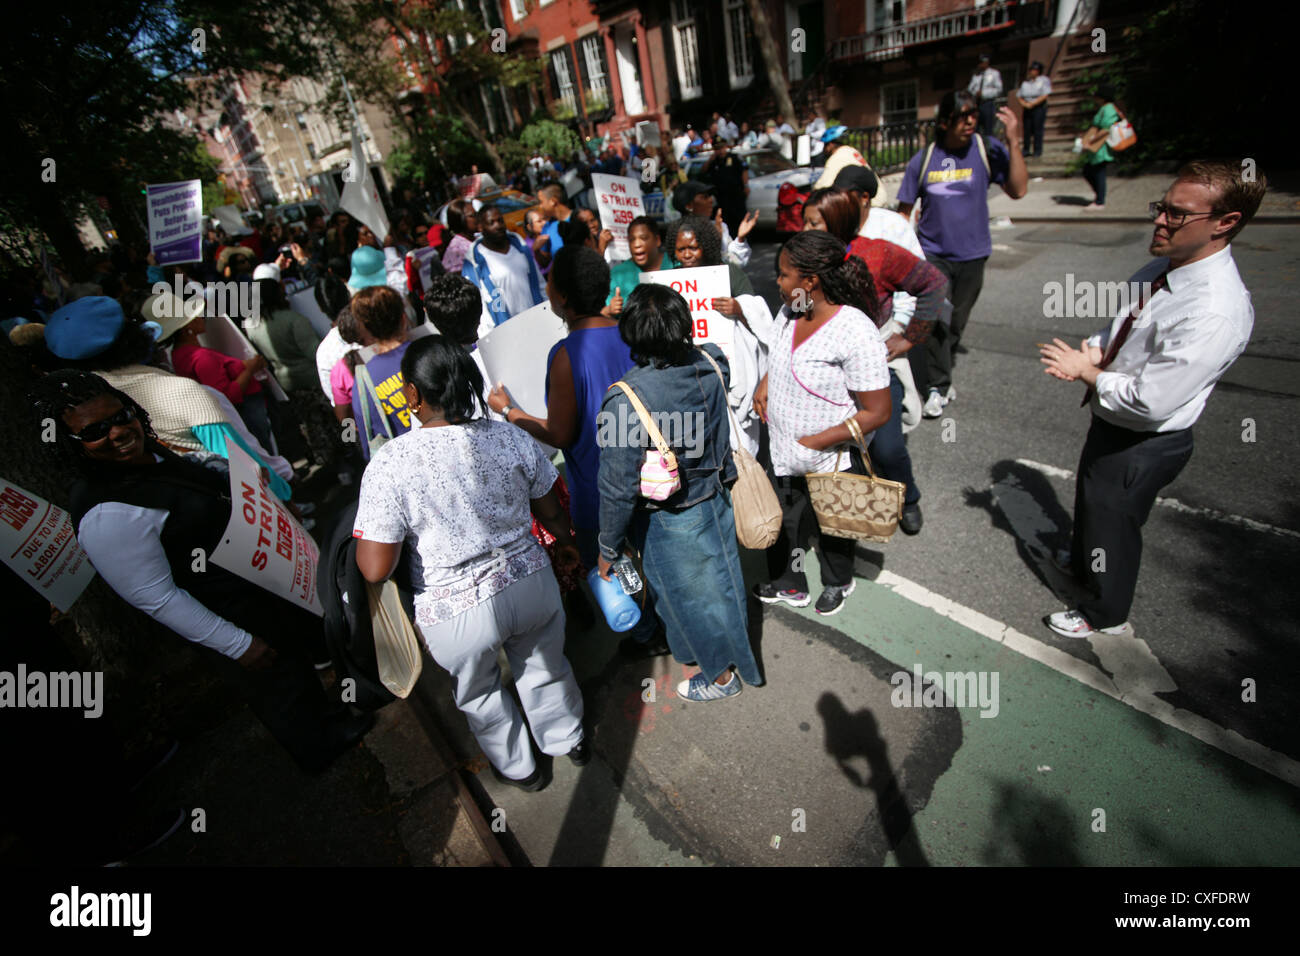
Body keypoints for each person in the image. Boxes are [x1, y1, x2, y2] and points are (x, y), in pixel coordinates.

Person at [30, 371, 373, 772]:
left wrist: (240, 476)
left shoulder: (146, 454)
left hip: (255, 587)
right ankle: (320, 748)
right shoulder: (105, 514)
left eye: (121, 415)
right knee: (276, 685)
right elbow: (156, 598)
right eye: (96, 431)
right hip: (226, 612)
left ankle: (328, 720)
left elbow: (195, 471)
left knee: (293, 665)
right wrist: (235, 644)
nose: (119, 431)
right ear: (71, 445)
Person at [1037, 160, 1265, 638]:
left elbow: (1150, 402)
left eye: (1177, 214)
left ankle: (1104, 613)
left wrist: (1089, 374)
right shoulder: (1164, 268)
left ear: (1225, 224)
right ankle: (1084, 565)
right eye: (1162, 207)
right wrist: (1096, 350)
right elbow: (1121, 327)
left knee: (1115, 526)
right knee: (1094, 508)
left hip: (1143, 439)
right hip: (1114, 425)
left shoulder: (1214, 310)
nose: (1160, 220)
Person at [354, 337, 587, 790]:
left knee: (480, 693)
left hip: (453, 610)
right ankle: (567, 739)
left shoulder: (390, 464)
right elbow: (551, 509)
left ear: (413, 396)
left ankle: (523, 770)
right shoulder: (509, 435)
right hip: (529, 580)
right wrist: (564, 543)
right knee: (546, 665)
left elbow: (374, 568)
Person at [486, 246, 668, 656]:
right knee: (651, 554)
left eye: (549, 283)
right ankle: (666, 622)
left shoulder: (565, 355)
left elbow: (560, 433)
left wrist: (509, 411)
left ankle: (644, 634)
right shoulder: (629, 331)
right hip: (649, 474)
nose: (545, 289)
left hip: (599, 492)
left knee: (612, 564)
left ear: (563, 296)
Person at [597, 283, 762, 701]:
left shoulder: (626, 400)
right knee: (724, 585)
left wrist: (607, 547)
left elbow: (617, 488)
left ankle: (722, 678)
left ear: (630, 332)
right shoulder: (711, 359)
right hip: (718, 497)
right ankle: (731, 656)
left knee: (690, 602)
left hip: (669, 521)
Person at [751, 230, 892, 616]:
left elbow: (878, 411)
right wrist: (765, 383)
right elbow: (781, 354)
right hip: (782, 450)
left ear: (810, 280)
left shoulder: (855, 330)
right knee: (784, 521)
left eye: (783, 275)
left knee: (833, 528)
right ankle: (789, 585)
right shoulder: (790, 311)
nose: (777, 282)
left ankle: (838, 582)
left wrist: (820, 440)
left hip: (830, 458)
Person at [42, 295, 293, 500]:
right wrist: (284, 496)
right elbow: (243, 466)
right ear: (134, 338)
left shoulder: (69, 416)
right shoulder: (179, 392)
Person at [801, 187, 949, 535]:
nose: (806, 230)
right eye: (804, 222)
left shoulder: (877, 253)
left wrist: (911, 337)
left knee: (887, 446)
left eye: (814, 223)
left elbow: (933, 283)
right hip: (826, 369)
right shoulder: (803, 260)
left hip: (875, 366)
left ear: (838, 222)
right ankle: (839, 525)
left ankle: (907, 496)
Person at [896, 90, 1027, 417]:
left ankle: (942, 367)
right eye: (962, 115)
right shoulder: (924, 159)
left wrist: (1013, 141)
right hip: (933, 255)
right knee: (938, 319)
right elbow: (903, 212)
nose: (970, 121)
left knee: (956, 322)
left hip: (973, 254)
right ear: (944, 121)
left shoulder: (985, 150)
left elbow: (1018, 189)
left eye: (973, 114)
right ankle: (937, 386)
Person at [244, 267, 338, 471]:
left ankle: (327, 463)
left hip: (286, 384)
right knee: (332, 421)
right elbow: (314, 351)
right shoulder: (294, 320)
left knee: (311, 426)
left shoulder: (252, 326)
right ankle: (345, 460)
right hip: (313, 379)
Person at [160, 291, 274, 455]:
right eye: (194, 317)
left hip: (241, 414)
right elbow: (228, 394)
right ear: (187, 328)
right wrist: (249, 369)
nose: (201, 318)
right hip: (246, 412)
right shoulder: (200, 357)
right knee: (264, 449)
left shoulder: (180, 354)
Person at [349, 285, 414, 461]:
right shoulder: (433, 351)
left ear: (366, 331)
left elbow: (367, 445)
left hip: (405, 471)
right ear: (403, 318)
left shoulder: (363, 382)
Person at [461, 203, 545, 337]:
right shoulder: (475, 262)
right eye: (491, 222)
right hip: (507, 333)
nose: (498, 225)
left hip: (536, 323)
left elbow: (540, 283)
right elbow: (479, 306)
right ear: (481, 227)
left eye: (500, 220)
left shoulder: (519, 247)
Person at [604, 216, 675, 316]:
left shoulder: (676, 263)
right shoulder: (618, 274)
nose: (637, 244)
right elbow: (601, 315)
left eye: (643, 238)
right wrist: (609, 310)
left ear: (657, 240)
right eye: (632, 240)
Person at [1080, 86, 1123, 210]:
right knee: (1090, 171)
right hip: (1097, 147)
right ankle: (1099, 197)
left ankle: (1100, 201)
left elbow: (1105, 129)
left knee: (1097, 173)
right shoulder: (1105, 108)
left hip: (1101, 147)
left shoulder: (1108, 109)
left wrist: (1090, 141)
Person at [701, 139, 750, 236]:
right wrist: (711, 159)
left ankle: (743, 238)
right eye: (718, 148)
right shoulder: (714, 161)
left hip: (736, 195)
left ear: (726, 147)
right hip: (722, 197)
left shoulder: (735, 157)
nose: (721, 151)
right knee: (726, 222)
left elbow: (744, 171)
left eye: (722, 147)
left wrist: (746, 186)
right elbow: (703, 171)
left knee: (740, 219)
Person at [813, 126, 873, 193]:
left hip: (870, 200)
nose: (823, 149)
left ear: (830, 145)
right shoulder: (851, 151)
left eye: (825, 145)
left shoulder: (836, 158)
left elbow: (822, 185)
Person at [1016, 61, 1051, 157]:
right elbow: (1019, 96)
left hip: (1038, 107)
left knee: (1037, 129)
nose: (1031, 72)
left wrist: (1033, 103)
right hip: (1027, 107)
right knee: (1027, 129)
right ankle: (1026, 149)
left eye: (1033, 70)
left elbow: (1045, 95)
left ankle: (1037, 150)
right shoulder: (1026, 83)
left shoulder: (1043, 80)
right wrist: (1024, 104)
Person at [967, 54, 1003, 136]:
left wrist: (984, 94)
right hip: (976, 104)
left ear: (987, 62)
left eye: (982, 62)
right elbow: (970, 89)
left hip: (988, 103)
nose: (980, 65)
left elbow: (999, 90)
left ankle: (988, 147)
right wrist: (975, 93)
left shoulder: (994, 74)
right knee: (975, 128)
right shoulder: (976, 75)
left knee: (988, 129)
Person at [441, 199, 478, 276]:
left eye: (476, 214)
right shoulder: (457, 249)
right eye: (472, 216)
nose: (477, 218)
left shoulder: (478, 238)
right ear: (460, 220)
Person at [536, 183, 575, 255]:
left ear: (553, 201)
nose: (540, 206)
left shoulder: (579, 219)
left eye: (541, 202)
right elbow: (545, 262)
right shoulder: (547, 228)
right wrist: (536, 249)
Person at [522, 208, 554, 276]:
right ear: (530, 227)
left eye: (544, 219)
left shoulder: (549, 233)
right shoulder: (528, 245)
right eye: (539, 221)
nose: (544, 222)